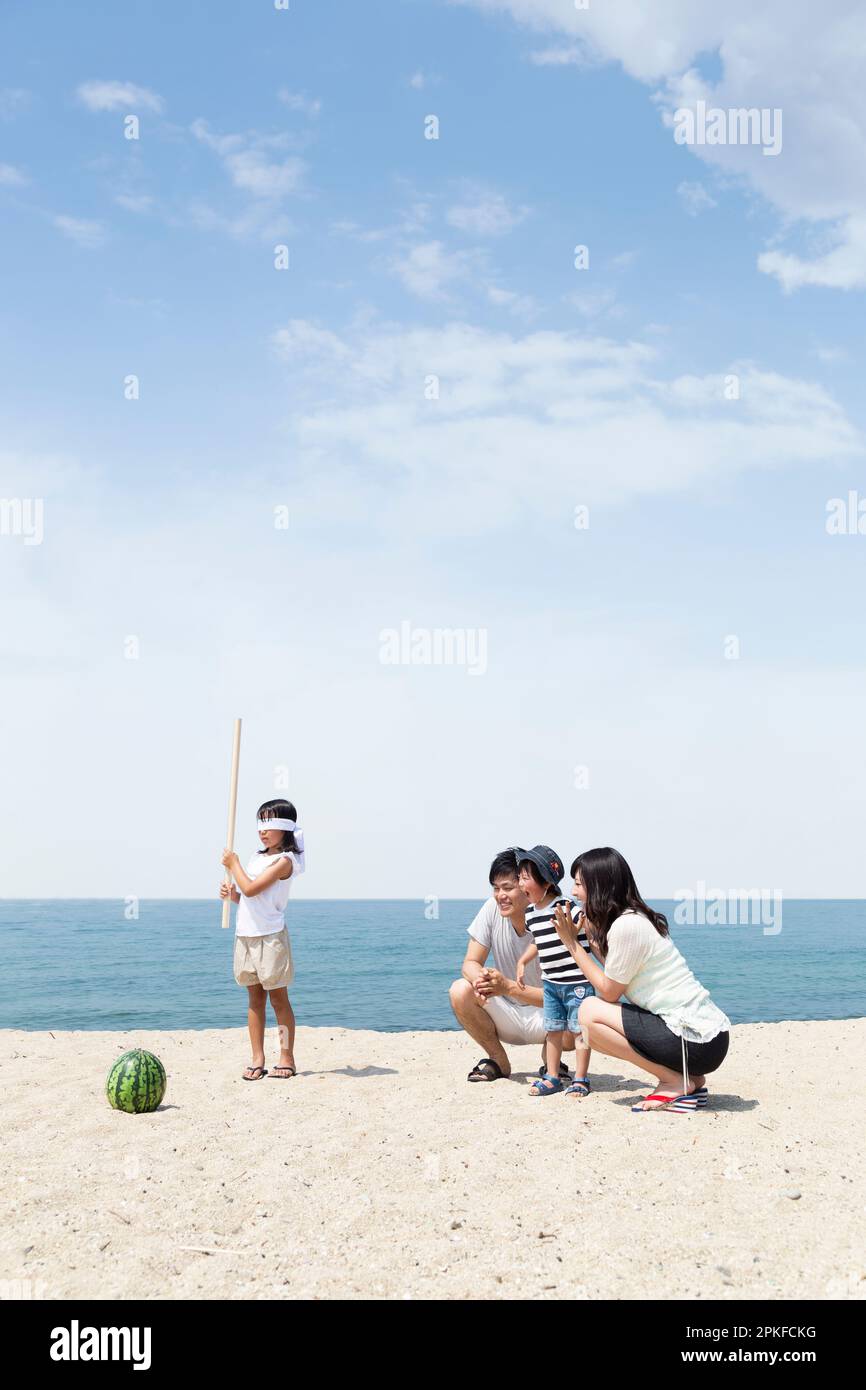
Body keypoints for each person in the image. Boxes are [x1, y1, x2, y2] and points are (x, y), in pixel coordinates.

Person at [551, 847, 731, 1113]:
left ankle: (673, 1081)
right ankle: (691, 1081)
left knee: (588, 1012)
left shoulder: (627, 926)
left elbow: (609, 992)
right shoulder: (635, 919)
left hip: (696, 1042)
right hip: (705, 1041)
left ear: (599, 886)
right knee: (591, 1017)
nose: (574, 893)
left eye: (578, 884)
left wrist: (571, 944)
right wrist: (590, 937)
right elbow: (618, 971)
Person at [449, 848, 576, 1082]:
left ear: (529, 886)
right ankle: (498, 1060)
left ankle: (551, 1059)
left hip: (549, 1017)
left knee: (581, 1010)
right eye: (496, 888)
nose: (500, 896)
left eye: (508, 888)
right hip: (506, 1013)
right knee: (460, 989)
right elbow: (470, 962)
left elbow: (564, 992)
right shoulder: (492, 909)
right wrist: (481, 979)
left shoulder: (557, 916)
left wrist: (507, 987)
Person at [220, 799, 306, 1081]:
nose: (263, 831)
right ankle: (257, 1057)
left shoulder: (285, 862)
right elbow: (247, 897)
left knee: (278, 999)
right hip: (245, 935)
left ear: (286, 828)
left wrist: (234, 866)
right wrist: (232, 895)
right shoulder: (258, 858)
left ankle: (286, 1056)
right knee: (254, 999)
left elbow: (253, 889)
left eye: (270, 824)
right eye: (260, 824)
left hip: (270, 938)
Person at [515, 846, 594, 1098]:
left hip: (577, 982)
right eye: (519, 877)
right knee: (552, 1029)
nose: (520, 884)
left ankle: (581, 1078)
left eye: (525, 878)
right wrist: (522, 961)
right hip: (550, 983)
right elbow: (538, 941)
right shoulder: (530, 913)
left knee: (580, 1031)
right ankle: (552, 1076)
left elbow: (586, 930)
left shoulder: (566, 906)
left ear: (547, 883)